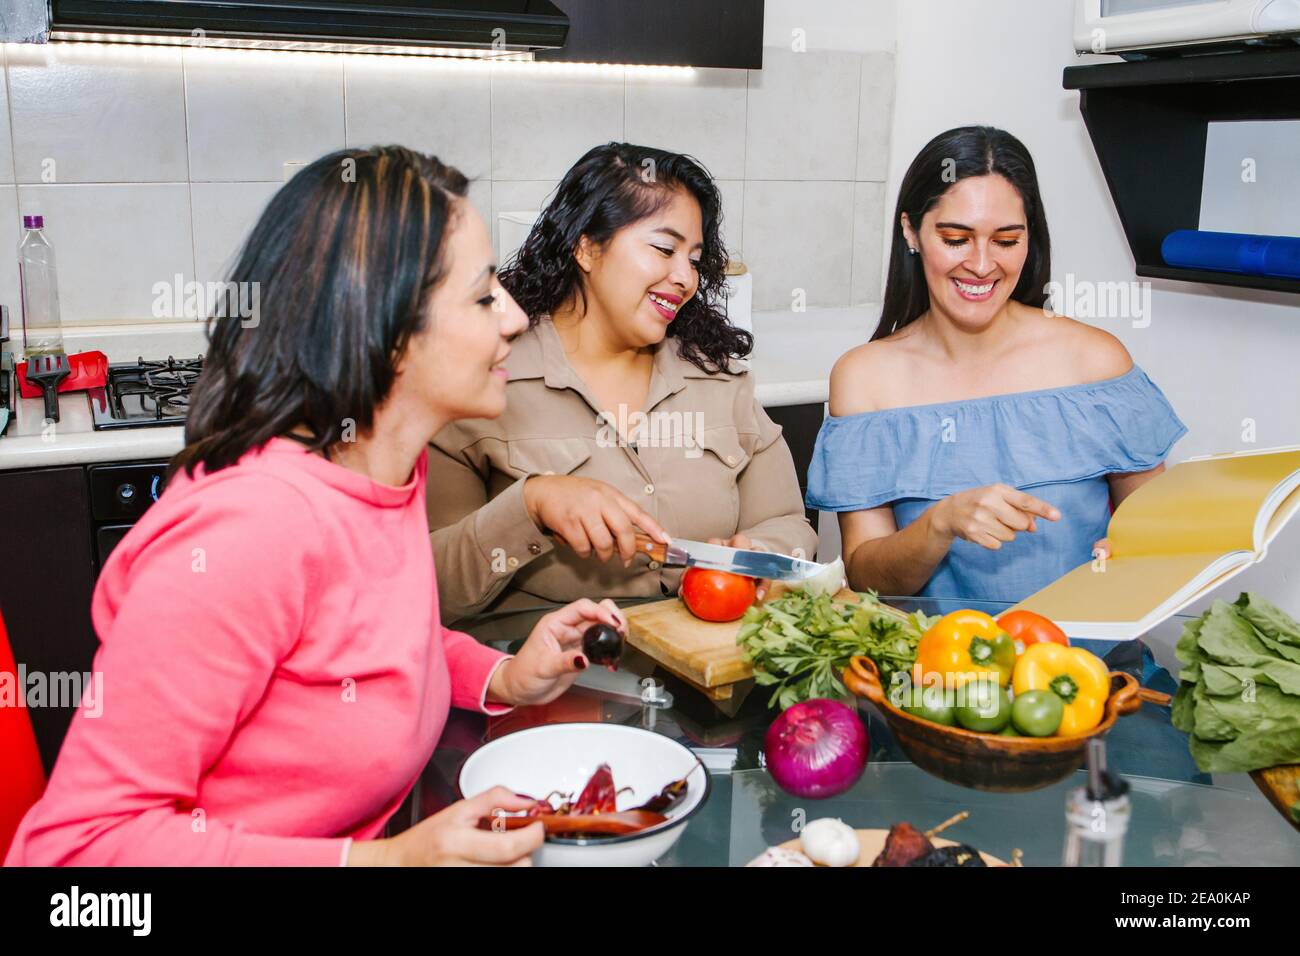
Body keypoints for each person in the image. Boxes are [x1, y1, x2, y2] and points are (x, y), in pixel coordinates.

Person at [4, 146, 626, 867]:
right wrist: (386, 864)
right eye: (485, 295)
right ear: (390, 332)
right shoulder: (254, 529)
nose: (515, 317)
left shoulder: (386, 468)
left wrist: (501, 676)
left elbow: (365, 649)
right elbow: (75, 853)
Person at [427, 143, 818, 622]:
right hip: (544, 674)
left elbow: (788, 524)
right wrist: (528, 507)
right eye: (663, 248)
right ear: (587, 246)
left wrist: (759, 554)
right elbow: (433, 587)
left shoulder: (719, 380)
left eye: (694, 258)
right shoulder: (488, 382)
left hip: (708, 664)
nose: (685, 277)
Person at [807, 126, 1186, 604]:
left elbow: (1163, 533)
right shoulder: (865, 379)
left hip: (1084, 671)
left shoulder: (1095, 362)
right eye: (955, 238)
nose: (982, 265)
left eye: (1006, 241)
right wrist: (939, 524)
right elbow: (866, 577)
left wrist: (1141, 553)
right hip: (933, 667)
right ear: (911, 232)